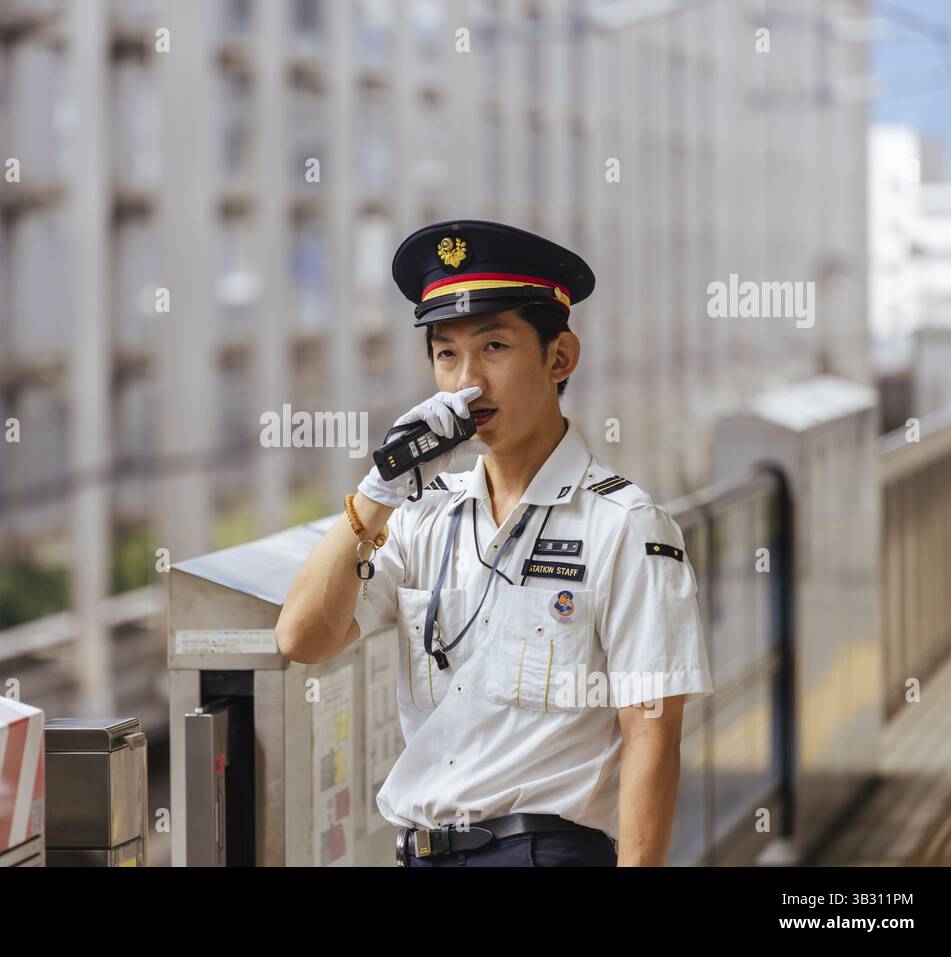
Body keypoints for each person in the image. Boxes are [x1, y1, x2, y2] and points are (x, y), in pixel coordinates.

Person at [275, 220, 714, 867]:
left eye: (495, 347)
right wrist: (379, 486)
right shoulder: (421, 515)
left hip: (544, 852)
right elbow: (301, 640)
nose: (467, 382)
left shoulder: (624, 525)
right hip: (421, 852)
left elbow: (650, 732)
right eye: (447, 354)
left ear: (559, 357)